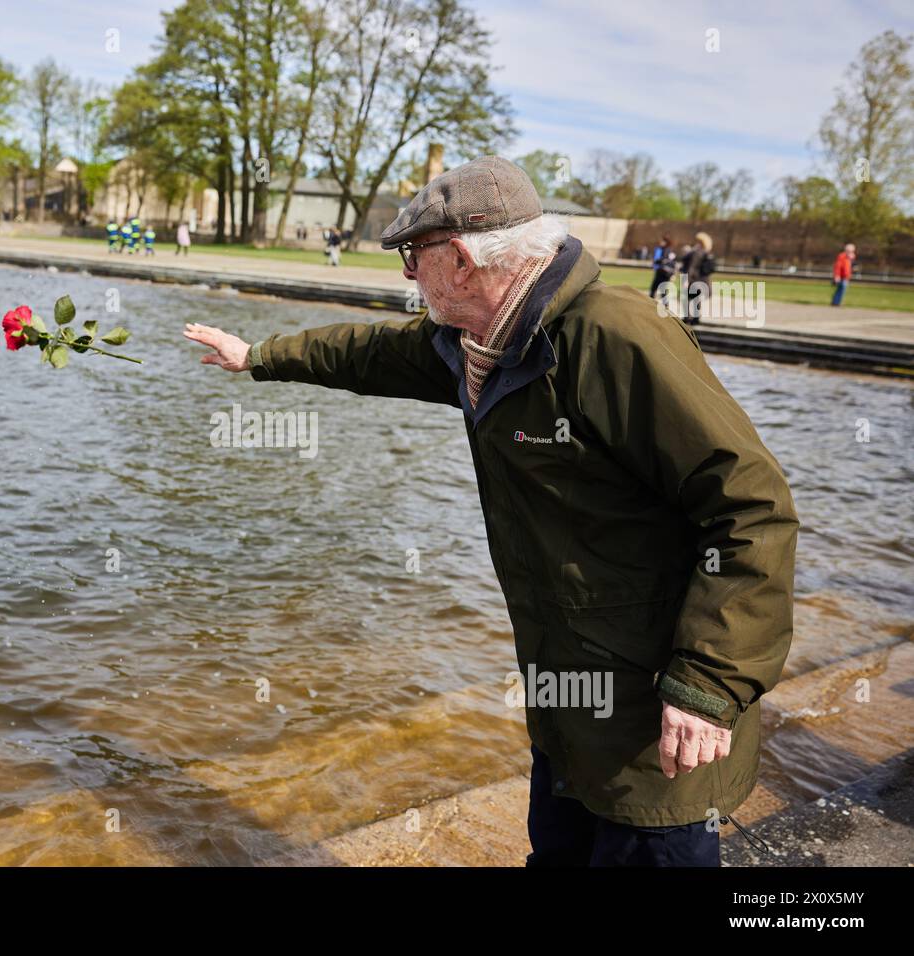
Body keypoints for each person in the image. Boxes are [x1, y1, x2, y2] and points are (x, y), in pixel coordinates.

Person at [183, 156, 798, 868]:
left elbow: (751, 506)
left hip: (655, 719)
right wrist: (257, 355)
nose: (408, 277)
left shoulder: (613, 337)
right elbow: (367, 354)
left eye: (416, 258)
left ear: (464, 261)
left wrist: (710, 680)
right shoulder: (476, 343)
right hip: (566, 704)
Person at [680, 232, 716, 325]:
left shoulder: (697, 253)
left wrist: (686, 280)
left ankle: (687, 317)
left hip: (694, 280)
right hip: (703, 281)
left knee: (686, 298)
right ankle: (696, 318)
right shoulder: (707, 253)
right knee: (696, 299)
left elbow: (692, 266)